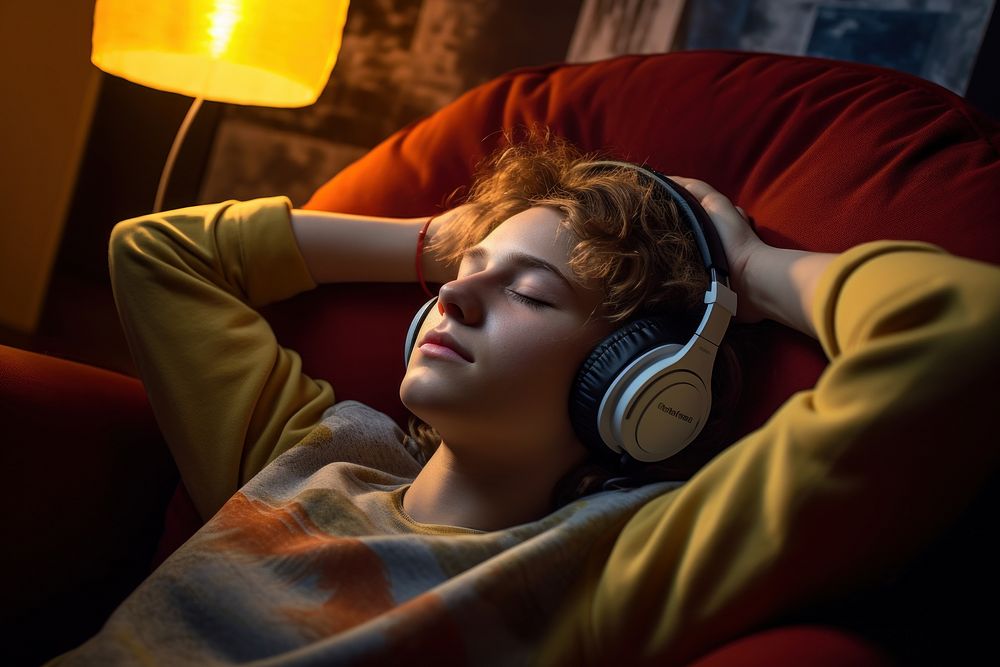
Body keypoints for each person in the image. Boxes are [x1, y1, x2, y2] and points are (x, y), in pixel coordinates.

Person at [49, 136, 999, 665]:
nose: (455, 298)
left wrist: (753, 267)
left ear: (640, 382)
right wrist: (443, 237)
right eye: (463, 276)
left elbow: (958, 333)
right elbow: (156, 253)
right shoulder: (305, 449)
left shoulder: (616, 561)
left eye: (533, 294)